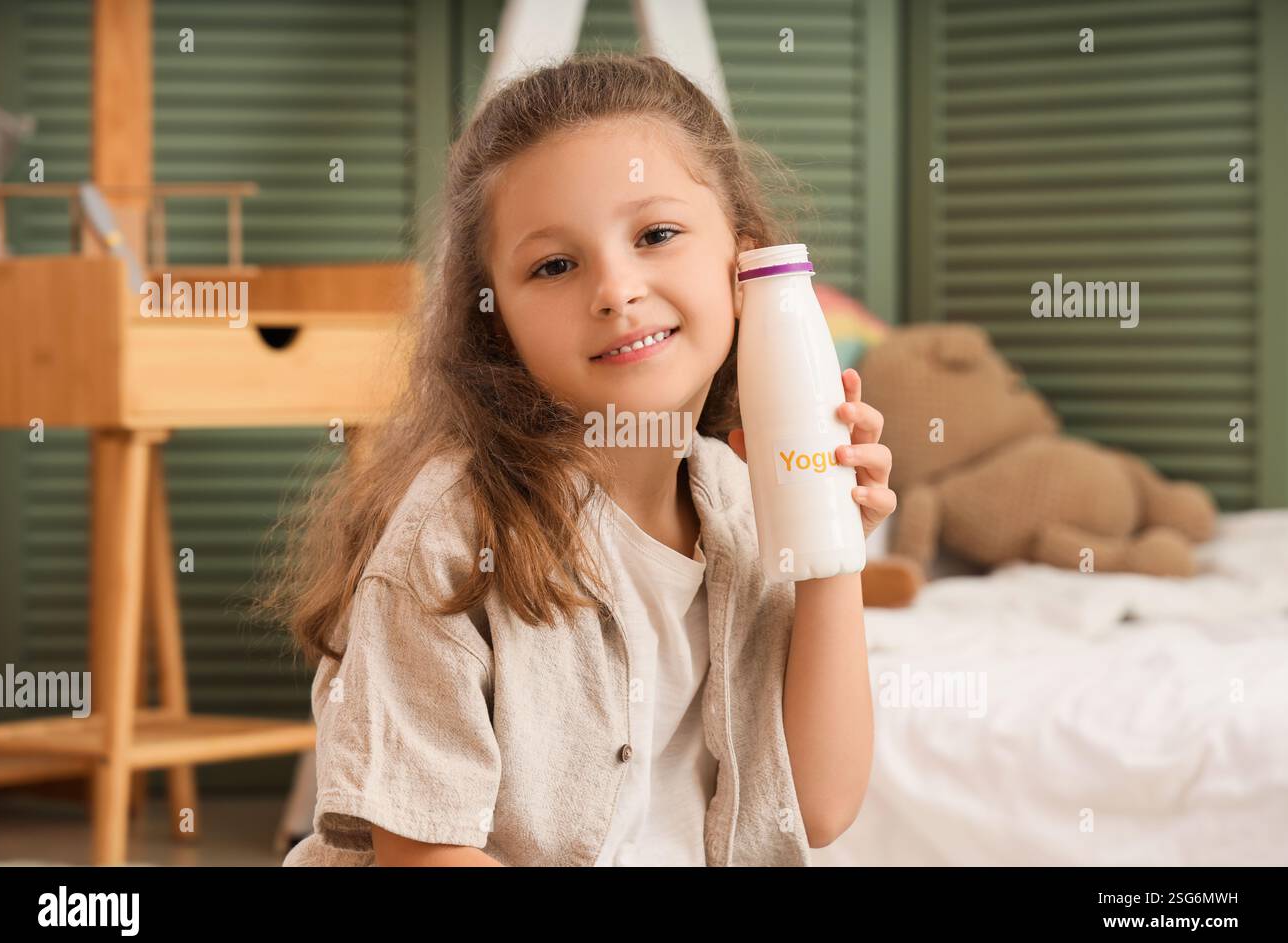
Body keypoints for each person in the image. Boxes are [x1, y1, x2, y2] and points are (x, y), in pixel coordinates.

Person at [264, 52, 895, 867]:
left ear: (745, 268)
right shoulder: (452, 538)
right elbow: (427, 858)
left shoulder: (747, 505)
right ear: (499, 323)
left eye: (657, 234)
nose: (615, 288)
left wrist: (829, 551)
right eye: (554, 265)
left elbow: (817, 806)